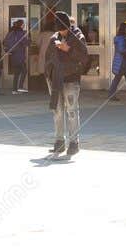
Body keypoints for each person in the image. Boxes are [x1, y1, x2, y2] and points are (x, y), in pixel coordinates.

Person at [44, 11, 89, 157]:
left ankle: (74, 142)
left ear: (68, 27)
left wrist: (68, 49)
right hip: (55, 80)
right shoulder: (54, 38)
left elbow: (84, 57)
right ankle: (59, 141)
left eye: (63, 29)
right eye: (59, 29)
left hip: (71, 79)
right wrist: (48, 75)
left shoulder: (78, 37)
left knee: (71, 111)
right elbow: (48, 59)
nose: (61, 32)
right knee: (57, 112)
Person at [4, 18, 29, 94]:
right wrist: (29, 40)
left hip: (13, 55)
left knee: (16, 73)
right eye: (23, 24)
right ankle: (20, 87)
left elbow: (4, 42)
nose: (24, 26)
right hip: (19, 55)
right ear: (21, 25)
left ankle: (14, 90)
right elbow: (26, 43)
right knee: (24, 71)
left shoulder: (11, 32)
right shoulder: (20, 33)